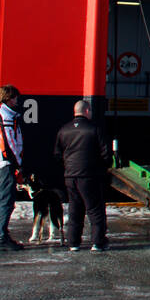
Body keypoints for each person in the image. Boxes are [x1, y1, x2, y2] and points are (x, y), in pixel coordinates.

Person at [53, 99, 112, 252]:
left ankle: (73, 242)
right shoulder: (94, 129)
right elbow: (106, 153)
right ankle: (98, 242)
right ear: (87, 111)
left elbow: (57, 154)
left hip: (70, 176)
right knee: (95, 210)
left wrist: (68, 167)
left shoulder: (64, 130)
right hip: (89, 175)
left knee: (75, 210)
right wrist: (102, 168)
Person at [0, 84, 25, 251]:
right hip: (4, 164)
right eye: (15, 97)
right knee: (6, 202)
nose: (17, 101)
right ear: (8, 98)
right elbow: (8, 141)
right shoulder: (5, 115)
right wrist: (18, 164)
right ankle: (1, 239)